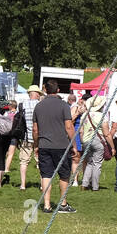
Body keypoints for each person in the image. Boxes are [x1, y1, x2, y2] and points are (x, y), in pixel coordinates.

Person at [33, 80, 76, 214]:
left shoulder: (39, 106)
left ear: (45, 90)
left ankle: (46, 205)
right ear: (58, 90)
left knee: (46, 174)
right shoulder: (64, 106)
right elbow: (69, 127)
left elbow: (35, 129)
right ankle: (63, 203)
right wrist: (73, 145)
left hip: (44, 144)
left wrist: (36, 145)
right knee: (64, 175)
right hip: (61, 145)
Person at [78, 91, 110, 191]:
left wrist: (83, 141)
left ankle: (84, 184)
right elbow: (106, 133)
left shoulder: (85, 115)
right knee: (97, 164)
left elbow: (81, 131)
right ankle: (95, 186)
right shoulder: (101, 116)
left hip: (86, 141)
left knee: (89, 163)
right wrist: (112, 147)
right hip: (98, 142)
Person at [16, 86, 41, 189]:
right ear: (37, 94)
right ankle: (42, 185)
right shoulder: (40, 105)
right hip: (39, 138)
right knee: (41, 162)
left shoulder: (22, 105)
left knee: (23, 161)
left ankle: (22, 185)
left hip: (26, 137)